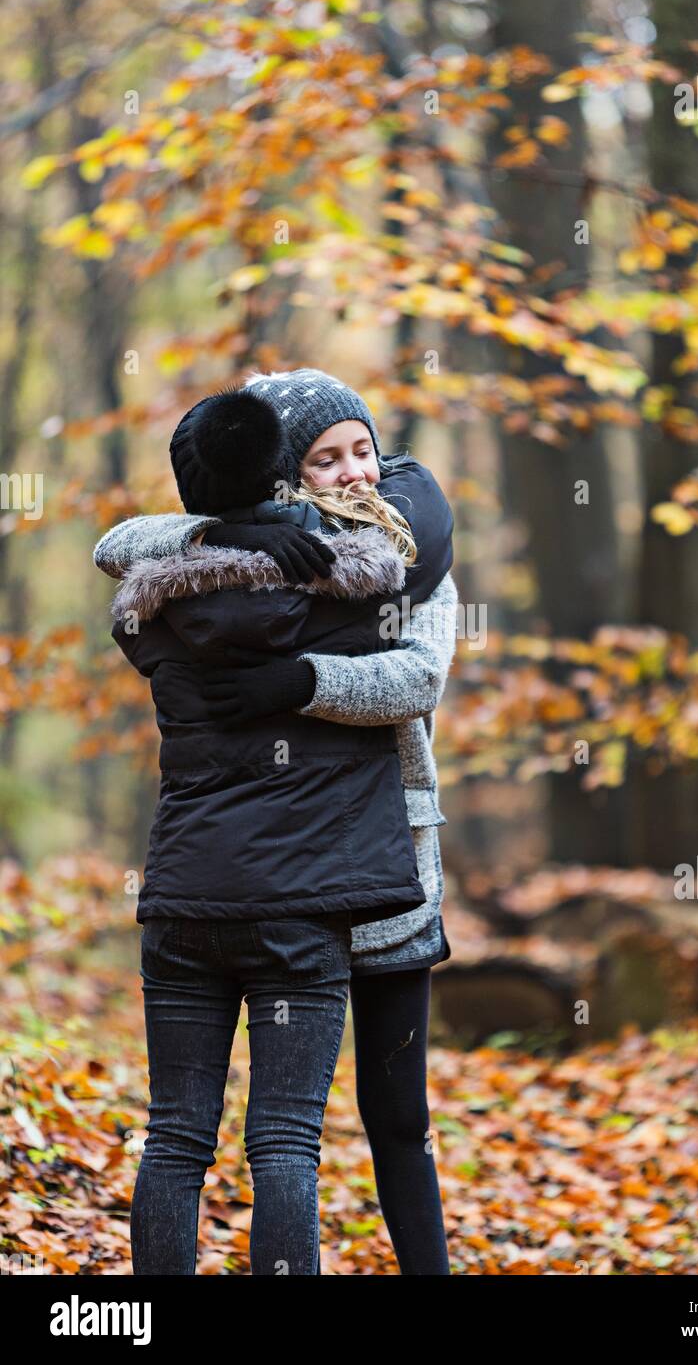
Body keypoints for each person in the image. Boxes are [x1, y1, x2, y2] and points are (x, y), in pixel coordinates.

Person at [96, 368, 456, 1274]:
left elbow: (421, 678)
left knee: (395, 1116)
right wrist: (254, 538)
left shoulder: (407, 554)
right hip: (311, 886)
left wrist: (301, 681)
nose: (356, 474)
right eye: (326, 459)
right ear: (285, 478)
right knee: (285, 1138)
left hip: (382, 858)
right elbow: (119, 538)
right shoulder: (315, 571)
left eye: (364, 450)